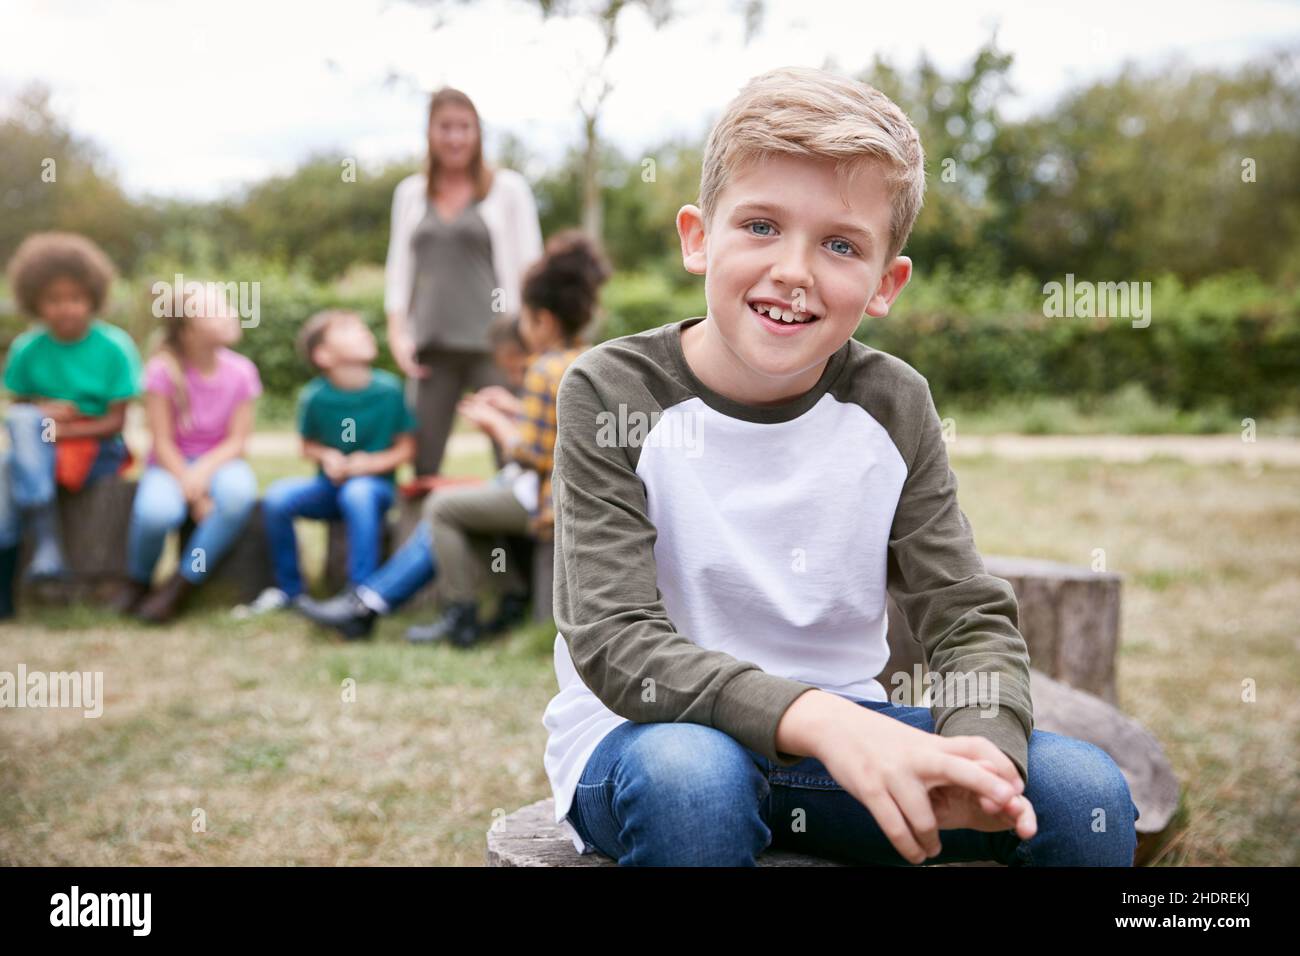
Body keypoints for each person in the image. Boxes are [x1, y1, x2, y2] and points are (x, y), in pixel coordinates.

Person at [541, 66, 1140, 866]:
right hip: (652, 740)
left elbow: (966, 616)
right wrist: (824, 718)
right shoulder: (612, 391)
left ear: (886, 282)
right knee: (694, 782)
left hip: (850, 747)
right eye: (760, 225)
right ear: (698, 237)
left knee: (1081, 792)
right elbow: (617, 642)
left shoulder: (893, 404)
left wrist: (983, 748)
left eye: (839, 244)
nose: (794, 269)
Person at [296, 230, 610, 644]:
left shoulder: (542, 369)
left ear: (544, 321)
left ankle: (456, 615)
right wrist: (515, 410)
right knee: (474, 500)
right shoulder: (591, 359)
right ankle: (373, 602)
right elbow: (566, 427)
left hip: (548, 501)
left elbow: (532, 456)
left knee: (444, 507)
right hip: (575, 494)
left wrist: (495, 427)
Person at [383, 86, 544, 477]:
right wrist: (398, 334)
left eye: (464, 127)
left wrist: (530, 339)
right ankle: (423, 535)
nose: (455, 137)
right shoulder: (410, 194)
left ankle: (513, 538)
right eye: (445, 127)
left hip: (495, 347)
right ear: (429, 133)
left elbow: (531, 267)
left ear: (477, 133)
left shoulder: (507, 189)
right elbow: (398, 270)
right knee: (423, 459)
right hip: (432, 349)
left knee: (514, 458)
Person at [0, 232, 142, 618]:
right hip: (39, 450)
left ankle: (34, 560)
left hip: (96, 451)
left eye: (75, 299)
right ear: (35, 302)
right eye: (54, 300)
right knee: (16, 444)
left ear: (92, 299)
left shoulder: (114, 347)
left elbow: (116, 422)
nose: (66, 309)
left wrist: (60, 431)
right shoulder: (28, 349)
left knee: (10, 469)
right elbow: (20, 407)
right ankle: (44, 552)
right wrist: (43, 411)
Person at [237, 310, 415, 617]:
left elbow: (406, 448)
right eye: (348, 329)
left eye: (362, 327)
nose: (364, 332)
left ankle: (360, 593)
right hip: (329, 487)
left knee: (357, 494)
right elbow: (307, 445)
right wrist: (327, 456)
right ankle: (290, 591)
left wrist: (370, 464)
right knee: (278, 498)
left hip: (375, 489)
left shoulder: (389, 390)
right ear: (323, 355)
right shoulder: (315, 397)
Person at [109, 281, 261, 622]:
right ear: (188, 329)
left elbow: (238, 441)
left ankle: (180, 585)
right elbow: (161, 442)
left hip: (221, 461)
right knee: (156, 513)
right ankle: (139, 580)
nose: (229, 315)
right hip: (170, 463)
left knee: (236, 496)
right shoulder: (162, 372)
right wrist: (193, 492)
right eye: (214, 311)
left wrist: (202, 475)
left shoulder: (242, 373)